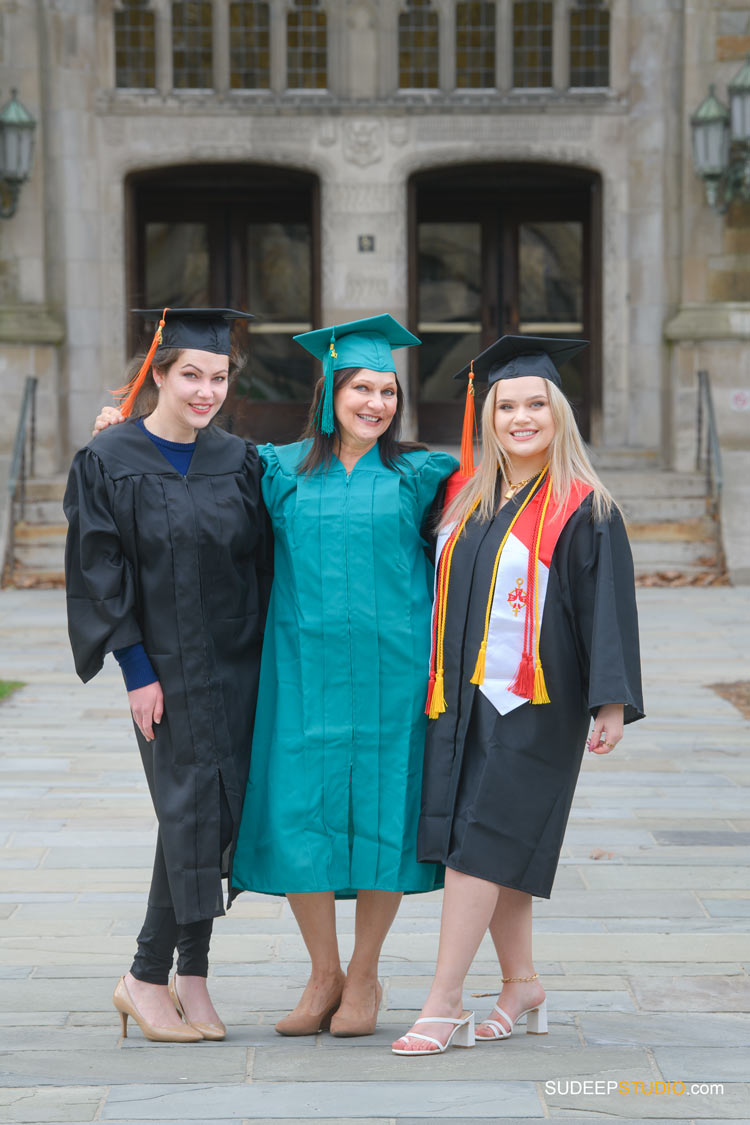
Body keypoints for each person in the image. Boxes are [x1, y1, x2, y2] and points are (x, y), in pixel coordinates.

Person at [391, 335, 644, 1056]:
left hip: (536, 702)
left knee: (477, 839)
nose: (521, 417)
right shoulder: (467, 497)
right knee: (491, 838)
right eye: (508, 405)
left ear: (559, 413)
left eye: (536, 404)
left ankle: (442, 1001)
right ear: (489, 416)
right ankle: (522, 982)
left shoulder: (585, 507)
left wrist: (611, 701)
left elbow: (608, 610)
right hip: (460, 700)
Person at [230, 315, 458, 1037]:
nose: (376, 402)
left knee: (384, 811)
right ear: (331, 387)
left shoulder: (422, 474)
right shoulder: (277, 470)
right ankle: (323, 971)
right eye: (363, 386)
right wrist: (118, 433)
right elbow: (196, 485)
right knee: (303, 811)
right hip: (303, 671)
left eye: (388, 391)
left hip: (395, 675)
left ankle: (365, 975)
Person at [65, 308, 271, 1043]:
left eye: (218, 376)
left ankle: (192, 977)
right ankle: (148, 975)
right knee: (190, 812)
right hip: (167, 673)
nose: (206, 389)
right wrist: (135, 668)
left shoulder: (240, 461)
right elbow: (99, 566)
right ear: (158, 373)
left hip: (239, 666)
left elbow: (267, 555)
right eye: (190, 374)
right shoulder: (109, 458)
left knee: (218, 815)